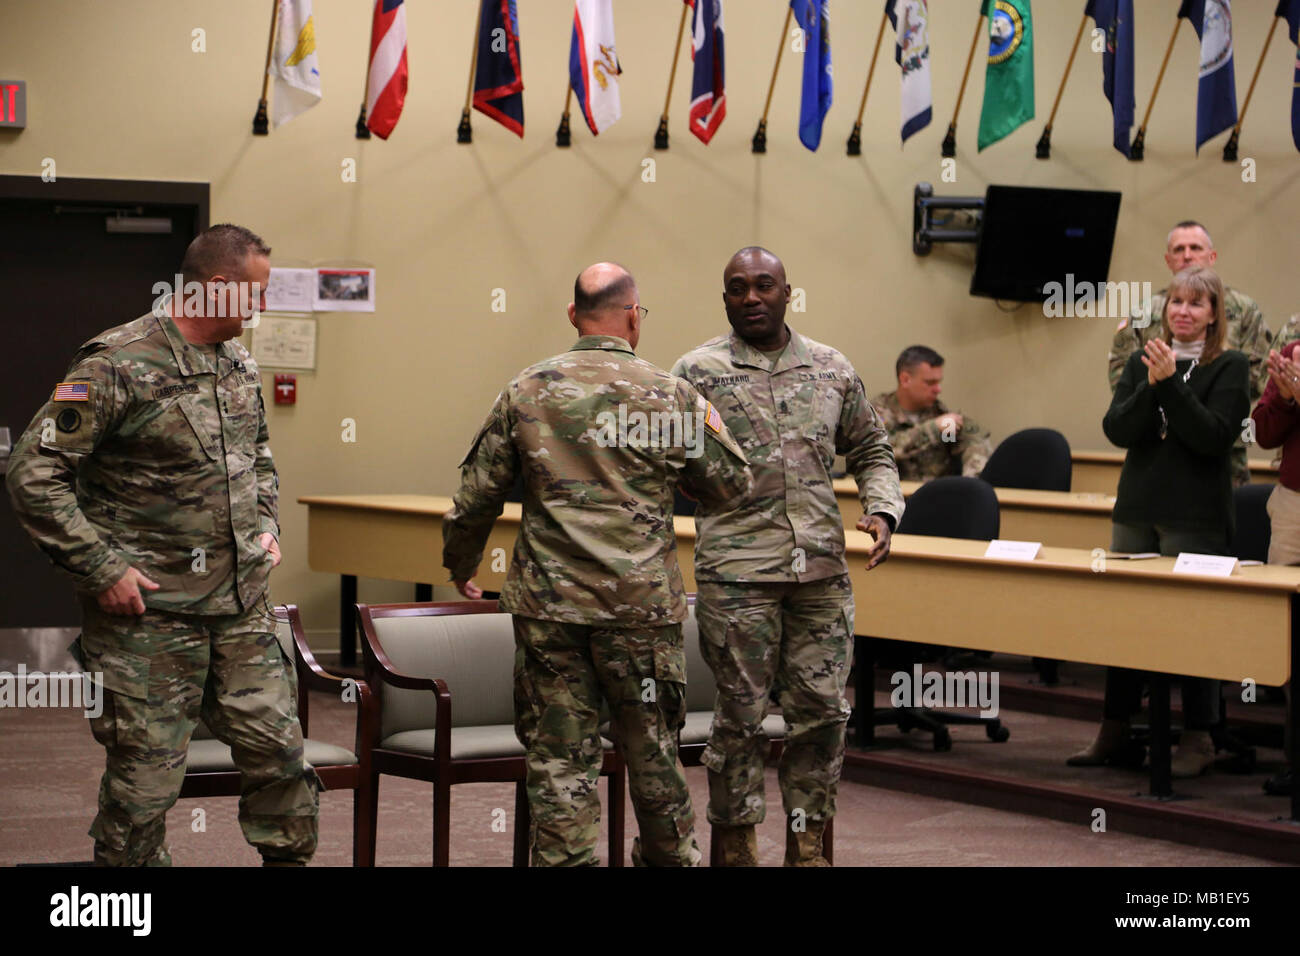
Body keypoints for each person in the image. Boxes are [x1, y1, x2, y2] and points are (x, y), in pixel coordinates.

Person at [5, 224, 319, 866]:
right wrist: (100, 568)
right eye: (256, 294)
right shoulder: (118, 361)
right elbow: (33, 471)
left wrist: (267, 525)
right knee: (144, 788)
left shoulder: (237, 361)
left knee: (282, 761)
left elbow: (258, 457)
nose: (261, 308)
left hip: (241, 609)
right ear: (221, 289)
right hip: (150, 618)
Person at [442, 262, 752, 867]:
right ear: (634, 316)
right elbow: (731, 485)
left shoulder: (526, 390)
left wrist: (461, 562)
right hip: (640, 610)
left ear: (572, 314)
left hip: (550, 612)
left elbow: (475, 498)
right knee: (654, 751)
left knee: (560, 757)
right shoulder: (671, 394)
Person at [671, 246, 904, 866]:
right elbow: (665, 463)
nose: (752, 298)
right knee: (740, 721)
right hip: (738, 578)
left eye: (764, 286)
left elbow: (873, 449)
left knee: (823, 718)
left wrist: (882, 511)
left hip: (821, 576)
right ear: (725, 300)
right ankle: (738, 847)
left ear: (787, 293)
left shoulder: (831, 368)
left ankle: (806, 847)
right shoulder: (696, 372)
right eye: (738, 289)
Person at [1072, 266, 1250, 778]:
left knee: (1192, 626)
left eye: (1196, 304)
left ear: (1214, 313)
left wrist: (1170, 383)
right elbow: (1119, 429)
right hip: (1137, 510)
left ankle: (1199, 736)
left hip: (1195, 515)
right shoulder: (1141, 360)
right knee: (1123, 621)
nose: (1183, 312)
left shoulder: (1231, 366)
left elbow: (1212, 436)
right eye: (1176, 302)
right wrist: (1153, 383)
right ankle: (1115, 728)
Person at [1107, 220, 1269, 487]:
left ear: (1212, 256)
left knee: (1224, 523)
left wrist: (1202, 404)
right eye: (1178, 249)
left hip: (1220, 446)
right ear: (1168, 259)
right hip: (1155, 441)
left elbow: (1258, 373)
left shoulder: (1243, 309)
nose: (1187, 255)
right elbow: (1121, 372)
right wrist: (1159, 402)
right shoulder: (1144, 312)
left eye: (1195, 247)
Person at [1249, 342, 1300, 796]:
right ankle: (1295, 762)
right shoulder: (1294, 353)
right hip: (1293, 508)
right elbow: (1261, 434)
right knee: (1291, 642)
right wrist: (1284, 396)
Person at [871, 345, 992, 482]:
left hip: (937, 497)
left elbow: (972, 441)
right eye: (930, 383)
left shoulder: (939, 413)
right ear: (905, 380)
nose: (938, 389)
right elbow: (877, 451)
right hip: (893, 497)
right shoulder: (878, 412)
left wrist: (970, 483)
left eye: (939, 382)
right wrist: (932, 429)